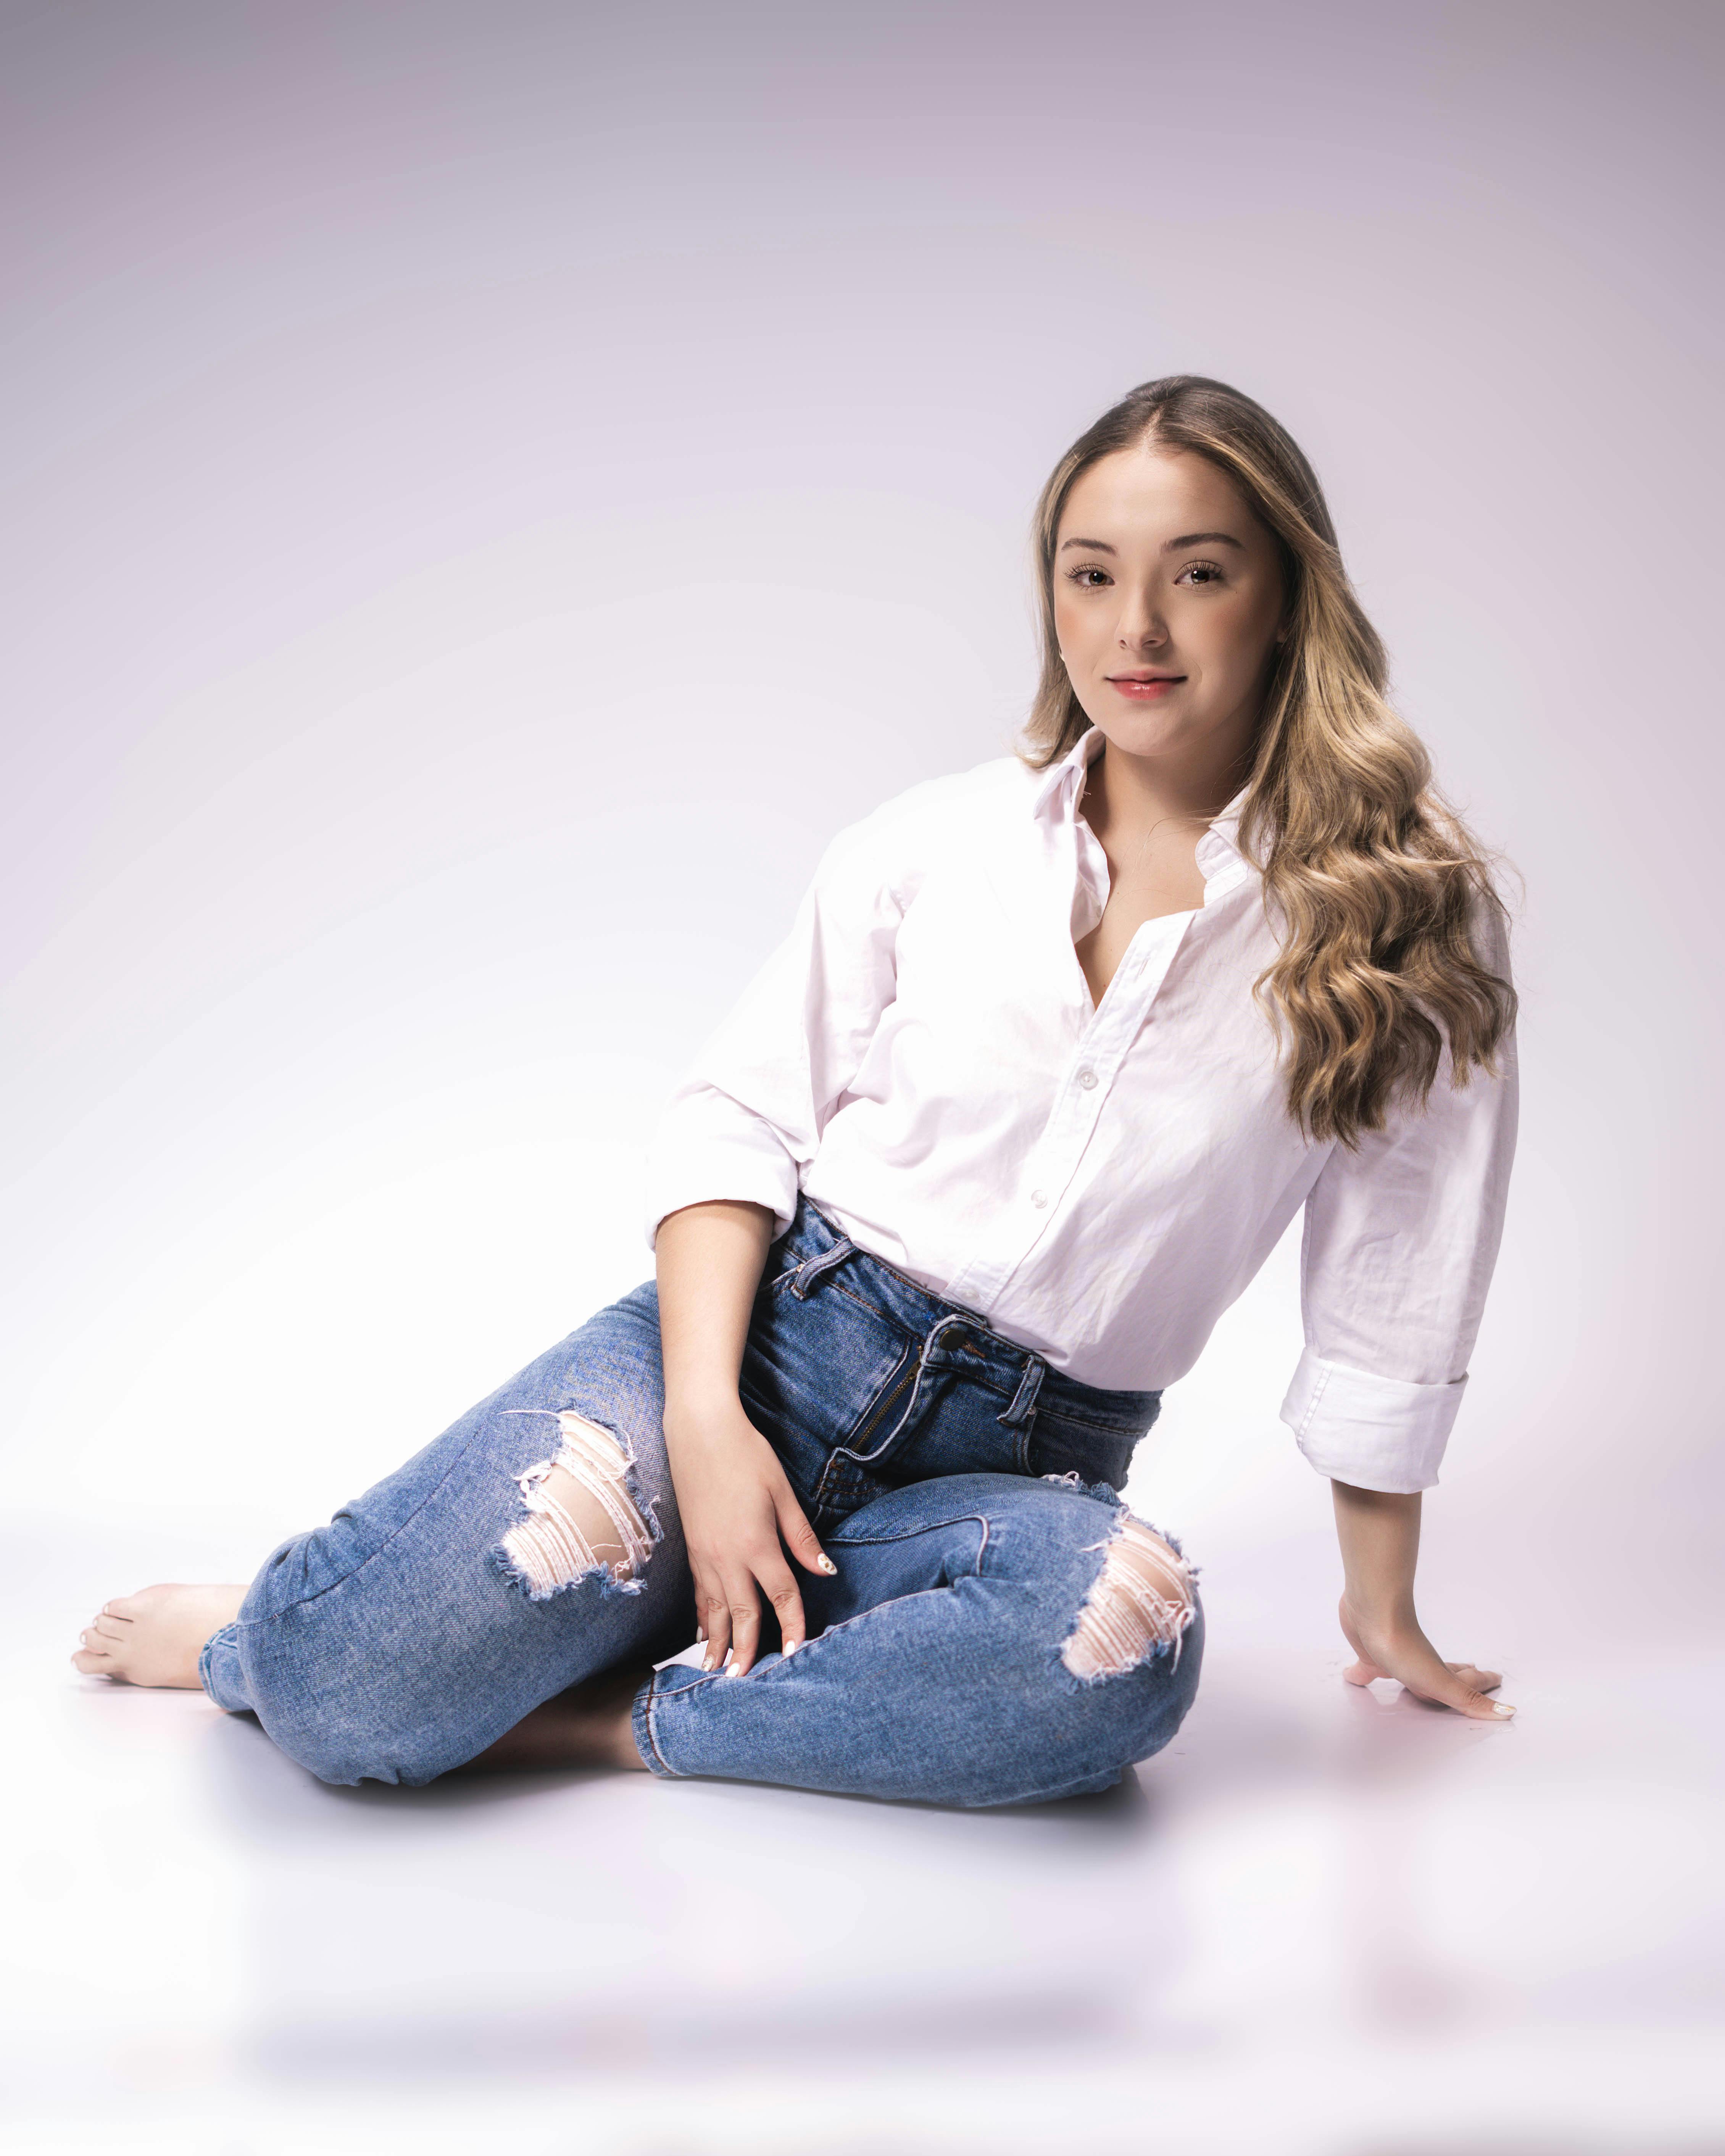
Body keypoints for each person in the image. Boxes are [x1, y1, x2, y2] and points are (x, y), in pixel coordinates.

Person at [72, 374, 1520, 1806]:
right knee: (345, 1699)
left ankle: (602, 1719)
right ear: (1055, 601)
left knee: (1124, 1647)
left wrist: (1378, 1603)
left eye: (1197, 573)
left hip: (1025, 1472)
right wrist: (705, 1422)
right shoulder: (932, 847)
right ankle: (268, 1634)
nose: (1135, 626)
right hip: (762, 1347)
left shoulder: (1396, 910)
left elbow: (1400, 1277)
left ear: (1285, 599)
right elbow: (737, 1121)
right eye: (1093, 575)